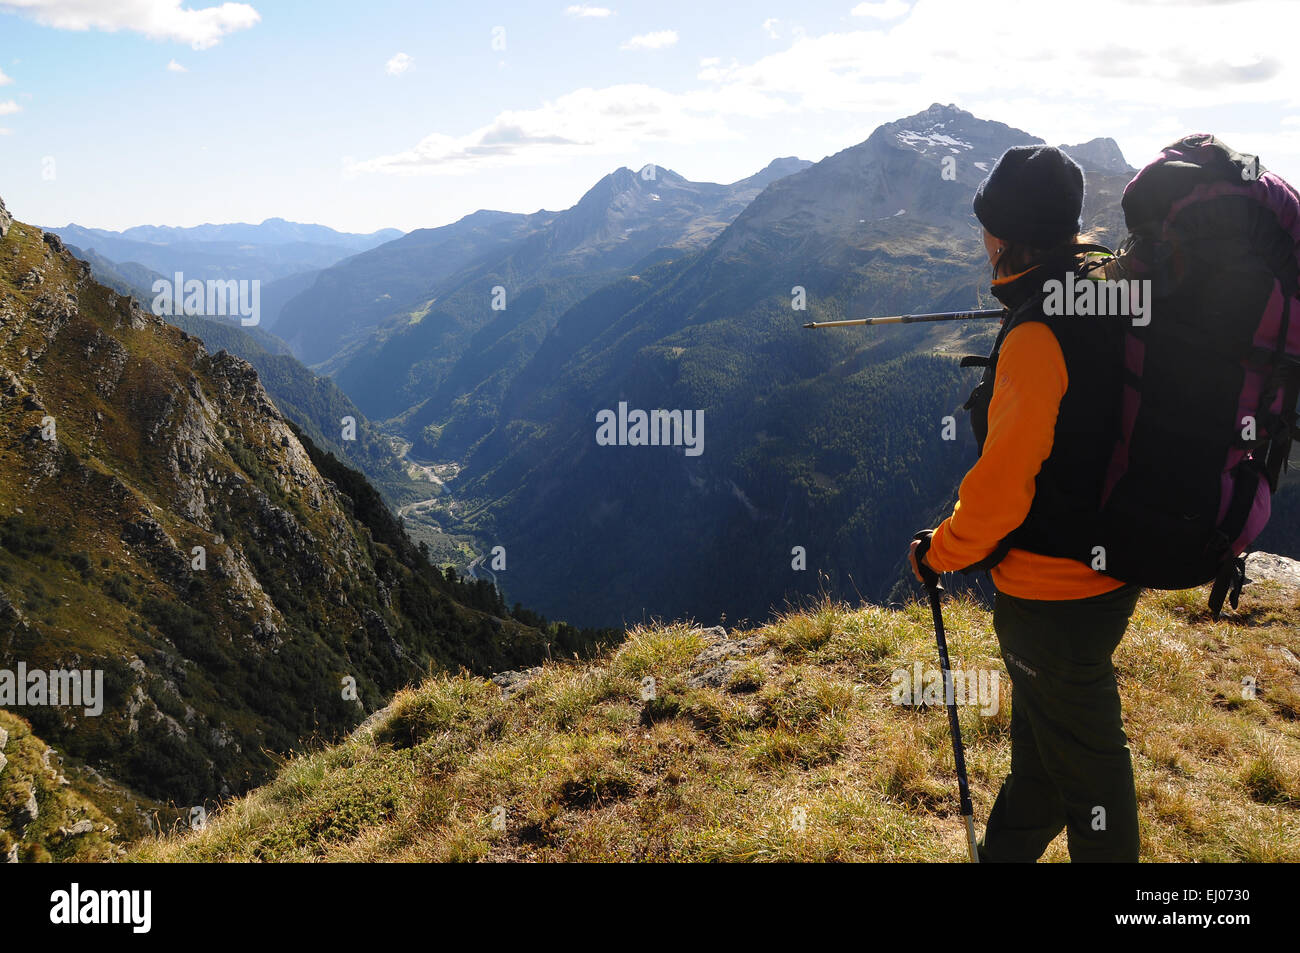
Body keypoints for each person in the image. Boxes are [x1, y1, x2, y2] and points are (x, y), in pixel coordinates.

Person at [908, 145, 1143, 862]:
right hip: (1112, 567)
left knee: (1092, 776)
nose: (980, 241)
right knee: (1047, 751)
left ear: (1009, 235)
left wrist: (938, 552)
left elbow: (1003, 492)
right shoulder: (1106, 287)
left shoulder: (1040, 332)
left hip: (1053, 592)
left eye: (986, 227)